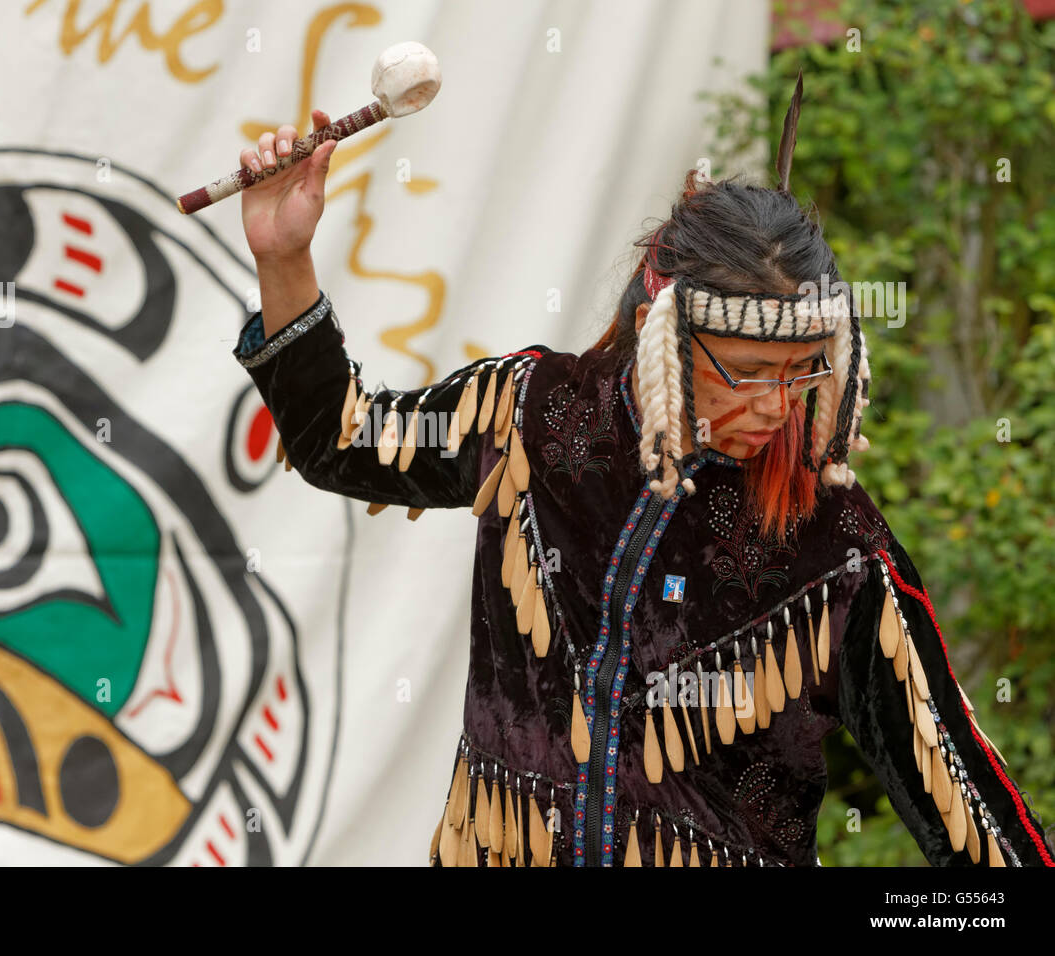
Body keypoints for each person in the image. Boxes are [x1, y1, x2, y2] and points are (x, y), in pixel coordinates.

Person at [228, 90, 1052, 867]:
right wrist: (284, 256)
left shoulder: (837, 545)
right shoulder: (530, 413)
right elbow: (343, 440)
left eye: (802, 372)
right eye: (746, 371)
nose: (776, 406)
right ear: (664, 319)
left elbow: (978, 828)